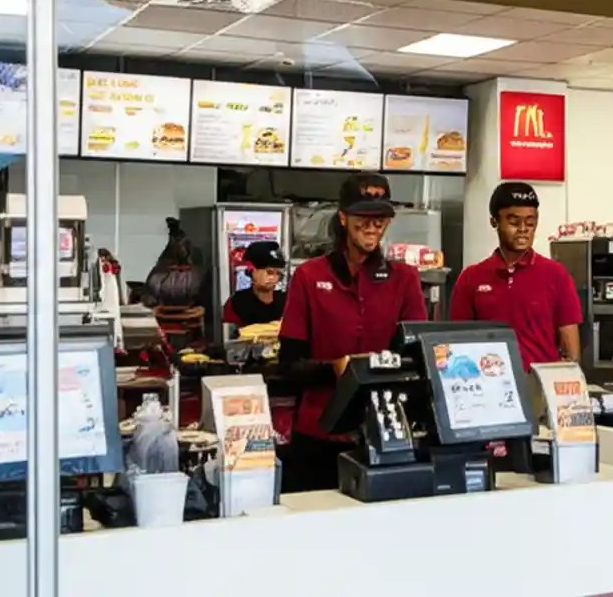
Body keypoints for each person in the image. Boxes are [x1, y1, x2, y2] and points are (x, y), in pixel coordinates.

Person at [276, 173, 426, 491]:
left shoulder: (405, 279)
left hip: (384, 431)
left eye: (381, 218)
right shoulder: (308, 276)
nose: (373, 226)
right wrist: (335, 368)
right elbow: (288, 364)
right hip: (317, 435)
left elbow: (418, 357)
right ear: (343, 218)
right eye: (364, 217)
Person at [450, 182, 581, 371]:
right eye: (513, 221)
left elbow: (571, 354)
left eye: (530, 222)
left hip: (540, 388)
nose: (523, 229)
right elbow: (457, 343)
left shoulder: (556, 275)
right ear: (494, 221)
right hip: (489, 387)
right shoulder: (471, 278)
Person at [221, 240, 287, 328]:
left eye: (278, 273)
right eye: (269, 272)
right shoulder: (237, 303)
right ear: (251, 271)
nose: (273, 278)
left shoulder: (287, 302)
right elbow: (230, 336)